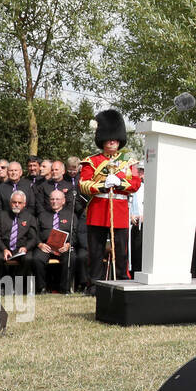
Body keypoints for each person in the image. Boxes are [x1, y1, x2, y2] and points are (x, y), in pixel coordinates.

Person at [80, 109, 142, 282]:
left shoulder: (128, 161)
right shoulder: (91, 161)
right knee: (96, 250)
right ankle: (94, 283)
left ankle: (122, 278)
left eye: (115, 139)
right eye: (109, 139)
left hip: (120, 209)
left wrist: (120, 184)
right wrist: (103, 185)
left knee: (121, 249)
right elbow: (83, 184)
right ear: (102, 140)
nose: (112, 142)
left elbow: (136, 184)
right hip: (98, 209)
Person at [35, 188, 80, 293]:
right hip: (46, 247)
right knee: (37, 258)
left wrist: (69, 244)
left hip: (63, 247)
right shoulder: (42, 215)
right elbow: (35, 234)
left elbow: (75, 234)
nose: (54, 201)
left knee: (71, 258)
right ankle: (41, 288)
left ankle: (65, 289)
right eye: (52, 199)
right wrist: (40, 244)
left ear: (63, 201)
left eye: (57, 199)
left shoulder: (71, 216)